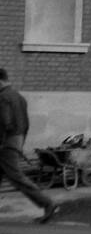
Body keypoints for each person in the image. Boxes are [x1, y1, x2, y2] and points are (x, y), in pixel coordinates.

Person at [0, 68, 56, 222]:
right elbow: (25, 124)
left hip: (5, 144)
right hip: (15, 141)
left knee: (17, 177)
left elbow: (6, 123)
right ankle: (47, 204)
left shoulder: (3, 97)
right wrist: (20, 143)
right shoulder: (19, 97)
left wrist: (3, 142)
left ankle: (48, 204)